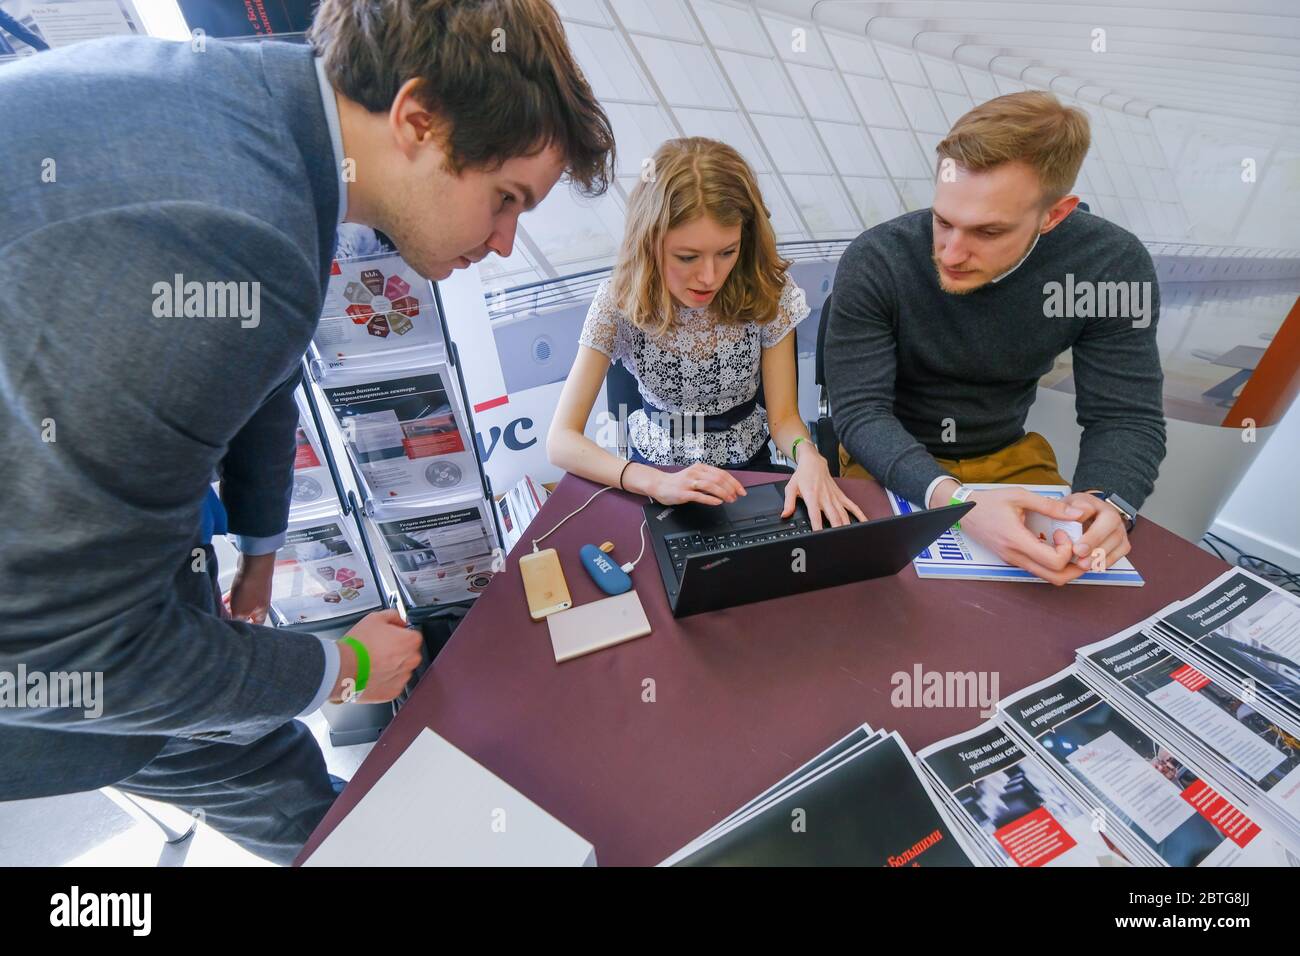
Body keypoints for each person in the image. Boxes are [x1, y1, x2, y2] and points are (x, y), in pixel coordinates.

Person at [0, 0, 615, 864]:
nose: (506, 244)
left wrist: (257, 551)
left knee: (279, 777)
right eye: (504, 200)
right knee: (291, 804)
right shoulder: (227, 230)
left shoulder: (264, 114)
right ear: (417, 118)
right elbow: (81, 656)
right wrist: (340, 671)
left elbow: (269, 365)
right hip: (48, 670)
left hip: (80, 567)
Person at [826, 92, 1166, 584]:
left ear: (1054, 214)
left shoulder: (1109, 266)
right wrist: (957, 501)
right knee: (879, 595)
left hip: (1010, 455)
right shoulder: (879, 257)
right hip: (886, 451)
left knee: (1069, 590)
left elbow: (1126, 415)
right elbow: (859, 412)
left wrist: (1105, 502)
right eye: (943, 221)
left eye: (988, 232)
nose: (951, 252)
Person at [548, 137, 865, 530]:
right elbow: (561, 440)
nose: (709, 277)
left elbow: (783, 419)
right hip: (656, 477)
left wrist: (808, 455)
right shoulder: (618, 301)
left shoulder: (768, 291)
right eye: (687, 257)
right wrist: (653, 481)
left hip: (749, 473)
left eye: (727, 252)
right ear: (650, 243)